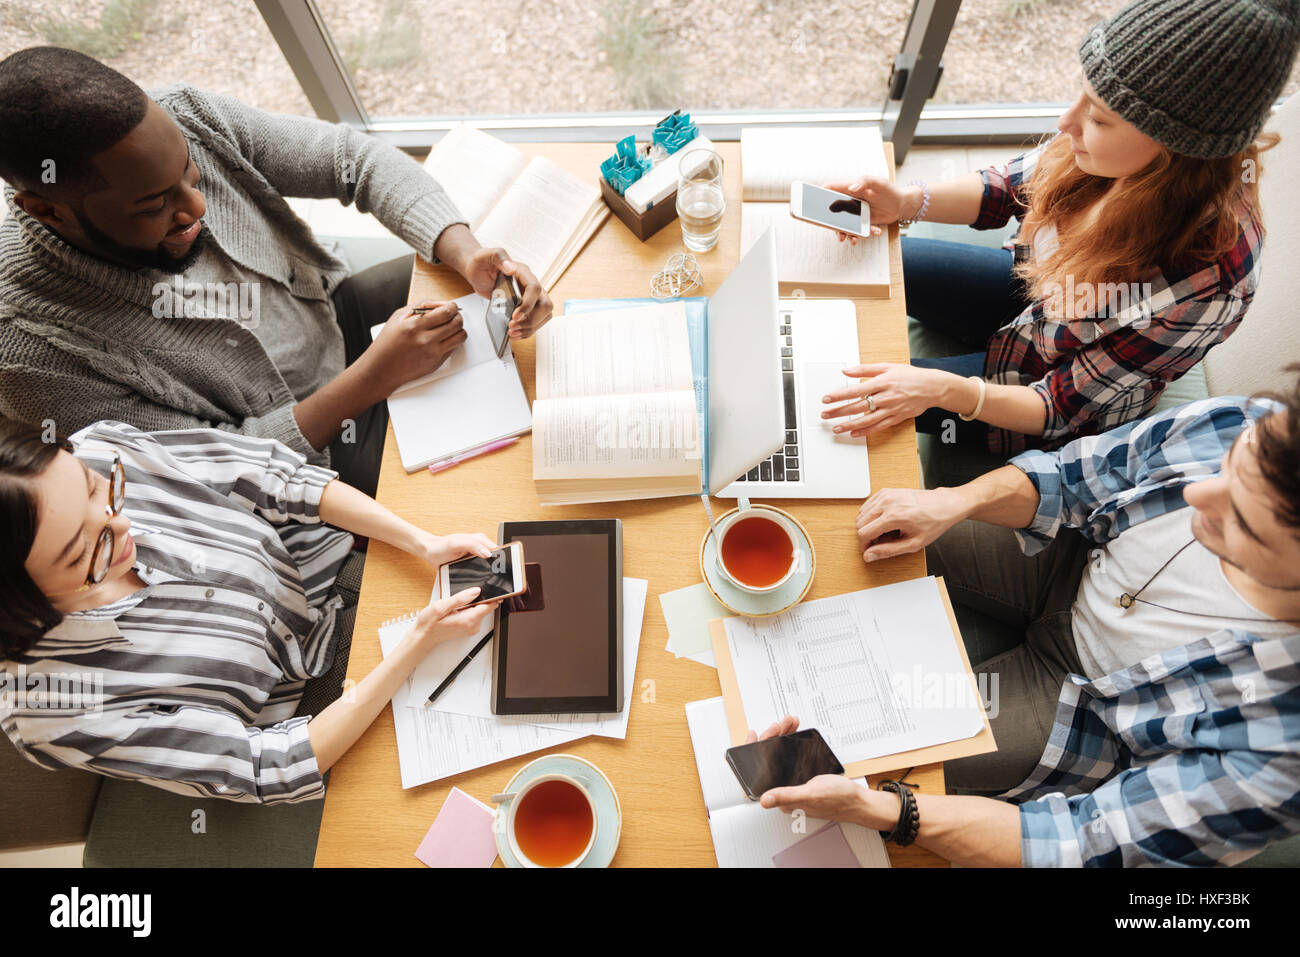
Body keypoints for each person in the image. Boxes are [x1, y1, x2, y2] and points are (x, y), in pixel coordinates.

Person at [752, 368, 1300, 866]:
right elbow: (1071, 479)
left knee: (851, 757)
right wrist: (954, 502)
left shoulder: (1282, 750)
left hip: (1087, 712)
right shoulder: (1247, 426)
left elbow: (1079, 841)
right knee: (853, 534)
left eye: (1240, 524)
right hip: (1065, 560)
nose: (1197, 492)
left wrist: (890, 811)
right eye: (1229, 467)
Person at [0, 46, 553, 499]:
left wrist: (464, 251)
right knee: (495, 488)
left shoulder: (186, 113)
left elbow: (352, 163)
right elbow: (210, 476)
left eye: (192, 174)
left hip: (343, 316)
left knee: (533, 351)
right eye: (154, 206)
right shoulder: (28, 353)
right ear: (47, 210)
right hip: (305, 458)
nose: (197, 209)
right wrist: (376, 377)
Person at [820, 0, 1298, 461]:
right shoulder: (1112, 145)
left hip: (1045, 386)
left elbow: (1059, 406)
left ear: (1175, 151)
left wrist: (947, 390)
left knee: (836, 390)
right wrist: (905, 202)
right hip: (1035, 297)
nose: (1066, 121)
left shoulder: (1210, 282)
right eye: (1083, 97)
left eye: (1097, 118)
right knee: (872, 260)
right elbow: (1008, 185)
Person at [0, 417, 500, 803]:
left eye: (96, 488)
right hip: (311, 706)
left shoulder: (101, 448)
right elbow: (267, 766)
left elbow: (276, 478)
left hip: (323, 571)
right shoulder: (50, 709)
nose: (123, 524)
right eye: (84, 551)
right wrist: (415, 644)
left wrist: (421, 541)